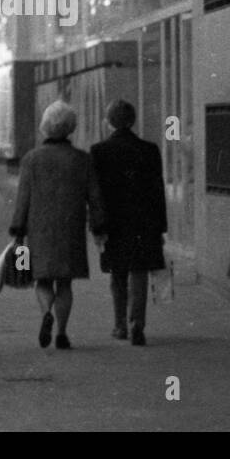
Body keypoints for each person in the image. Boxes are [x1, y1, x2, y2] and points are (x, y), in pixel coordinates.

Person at [9, 100, 104, 351]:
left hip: (39, 228)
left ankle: (45, 315)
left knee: (41, 280)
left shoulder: (31, 159)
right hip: (70, 228)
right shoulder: (82, 159)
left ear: (45, 126)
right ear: (70, 127)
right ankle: (62, 333)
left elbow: (23, 197)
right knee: (65, 283)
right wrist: (99, 227)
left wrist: (17, 230)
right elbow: (94, 196)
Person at [90, 99, 167, 346]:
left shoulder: (99, 151)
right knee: (139, 271)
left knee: (117, 273)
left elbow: (96, 195)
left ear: (109, 122)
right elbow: (158, 192)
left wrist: (97, 227)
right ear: (132, 121)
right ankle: (138, 324)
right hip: (144, 223)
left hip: (113, 223)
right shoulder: (150, 149)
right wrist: (161, 228)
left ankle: (120, 325)